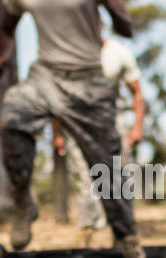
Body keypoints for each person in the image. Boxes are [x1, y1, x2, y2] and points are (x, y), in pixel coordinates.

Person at [0, 0, 144, 258]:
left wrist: (109, 3)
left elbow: (127, 28)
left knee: (106, 165)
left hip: (89, 79)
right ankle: (23, 205)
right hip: (46, 74)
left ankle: (126, 235)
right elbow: (4, 28)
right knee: (12, 116)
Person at [53, 33, 146, 240]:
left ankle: (124, 234)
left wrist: (137, 127)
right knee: (87, 181)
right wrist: (57, 135)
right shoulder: (67, 54)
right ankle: (91, 236)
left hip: (112, 120)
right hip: (77, 123)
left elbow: (137, 92)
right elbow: (58, 99)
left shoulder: (119, 52)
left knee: (121, 177)